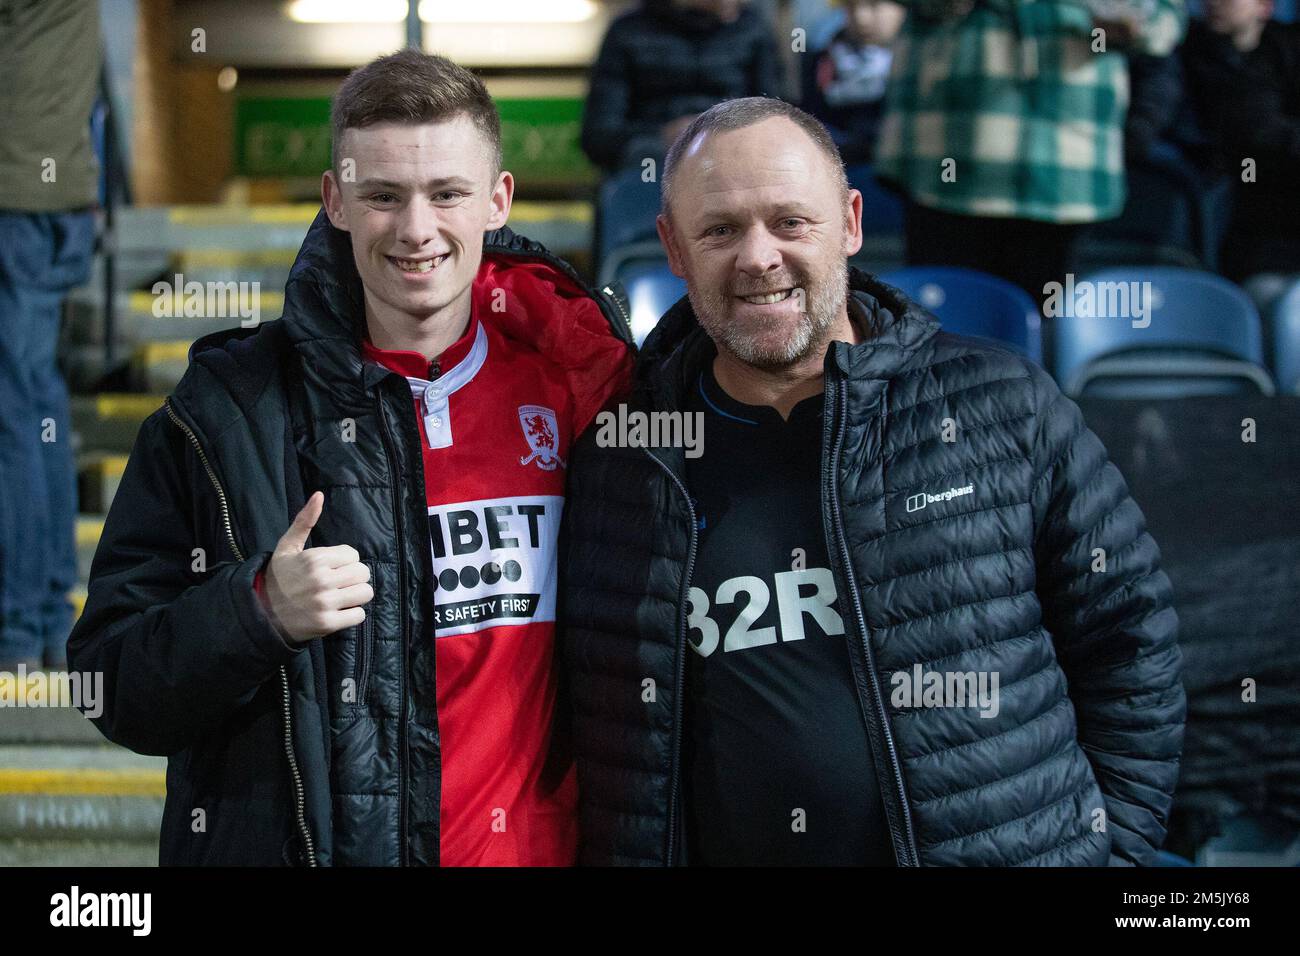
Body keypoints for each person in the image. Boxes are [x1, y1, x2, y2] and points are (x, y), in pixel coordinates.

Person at [560, 97, 1185, 866]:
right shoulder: (623, 457)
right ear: (673, 249)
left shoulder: (1000, 402)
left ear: (851, 223)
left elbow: (1131, 641)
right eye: (720, 230)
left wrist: (1111, 850)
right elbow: (607, 738)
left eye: (791, 221)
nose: (758, 257)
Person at [68, 50, 634, 866]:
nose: (416, 229)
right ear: (335, 200)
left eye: (447, 194)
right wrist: (255, 612)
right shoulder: (224, 414)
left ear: (497, 199)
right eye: (383, 197)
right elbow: (109, 684)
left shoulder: (587, 390)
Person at [874, 0, 1187, 305]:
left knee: (1040, 333)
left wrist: (1133, 19)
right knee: (939, 327)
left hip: (1063, 166)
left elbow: (1166, 17)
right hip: (945, 156)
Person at [0, 0, 101, 671]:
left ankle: (18, 629)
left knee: (15, 411)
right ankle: (45, 617)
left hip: (17, 196)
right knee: (35, 405)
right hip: (58, 190)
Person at [580, 0, 787, 173]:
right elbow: (598, 137)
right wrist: (664, 136)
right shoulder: (627, 32)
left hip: (733, 163)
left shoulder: (753, 29)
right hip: (651, 171)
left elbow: (773, 118)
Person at [1179, 0, 1300, 280]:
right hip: (1248, 210)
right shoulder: (1189, 48)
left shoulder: (1283, 46)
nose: (1215, 4)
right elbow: (1259, 130)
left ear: (1264, 6)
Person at [800, 0, 907, 163]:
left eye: (874, 5)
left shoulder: (918, 64)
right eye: (850, 7)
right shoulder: (824, 61)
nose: (861, 18)